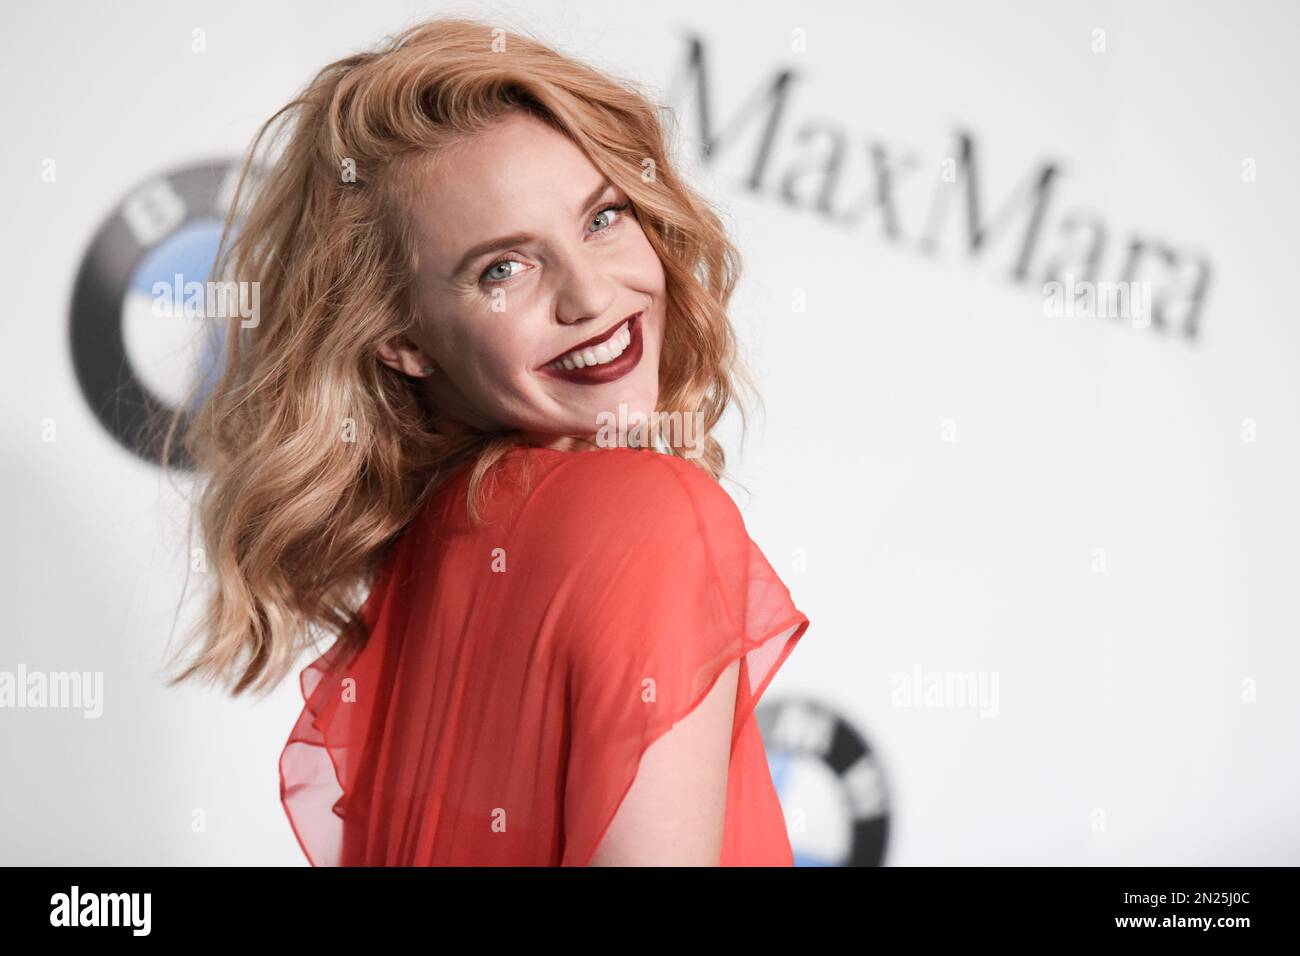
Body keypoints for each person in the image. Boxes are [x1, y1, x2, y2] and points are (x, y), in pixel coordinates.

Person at [161, 16, 810, 866]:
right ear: (404, 339)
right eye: (503, 268)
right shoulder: (654, 517)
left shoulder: (430, 558)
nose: (591, 295)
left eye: (604, 217)